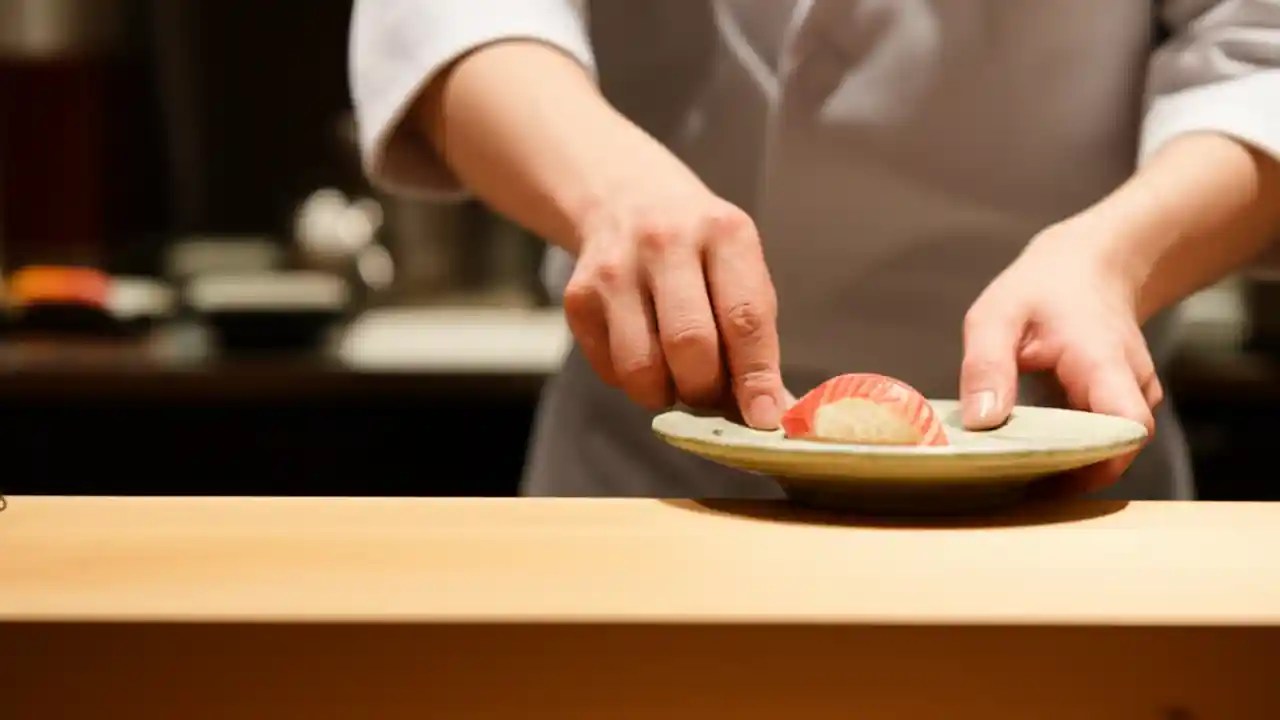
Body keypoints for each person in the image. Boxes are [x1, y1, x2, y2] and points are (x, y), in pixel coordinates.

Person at [349, 1, 1280, 500]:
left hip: (1062, 467)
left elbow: (1260, 50)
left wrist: (1120, 255)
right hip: (656, 463)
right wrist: (609, 188)